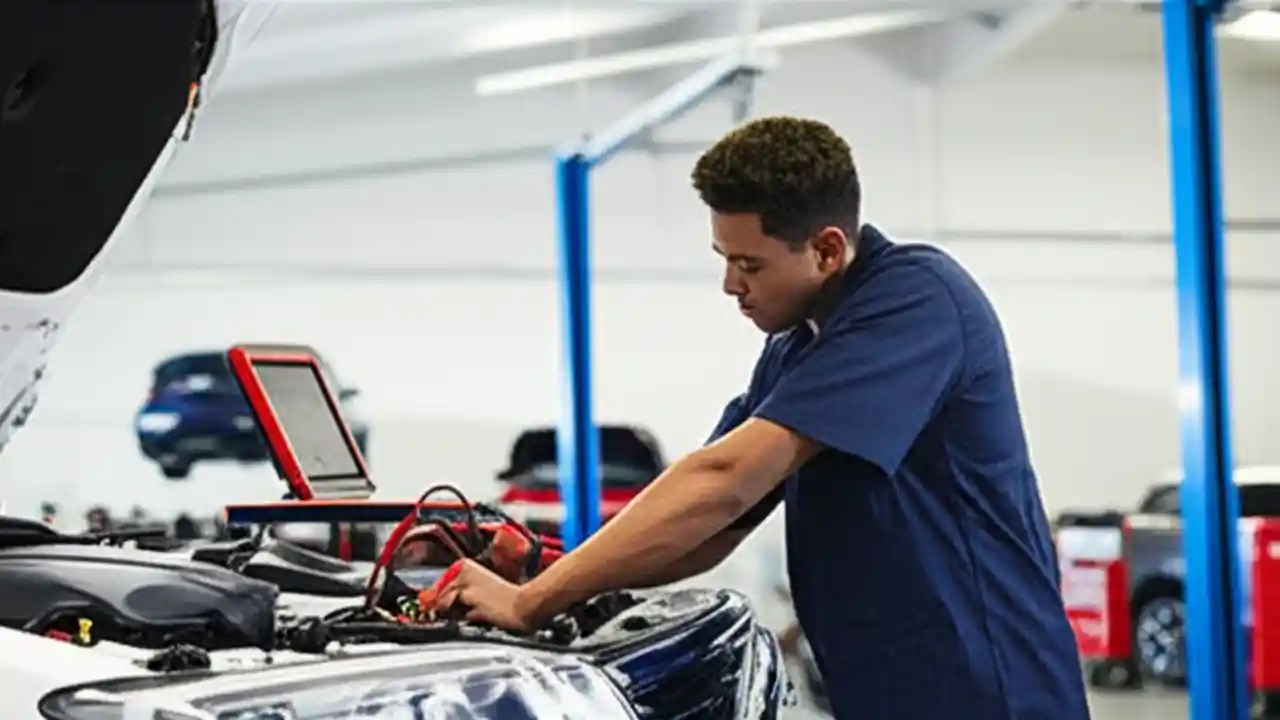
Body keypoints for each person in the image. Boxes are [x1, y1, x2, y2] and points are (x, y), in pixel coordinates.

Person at [433, 116, 1090, 719]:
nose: (730, 285)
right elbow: (710, 528)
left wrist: (531, 602)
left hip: (994, 693)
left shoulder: (917, 303)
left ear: (827, 250)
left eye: (749, 264)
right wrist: (553, 576)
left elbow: (725, 478)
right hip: (892, 692)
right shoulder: (799, 346)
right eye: (723, 260)